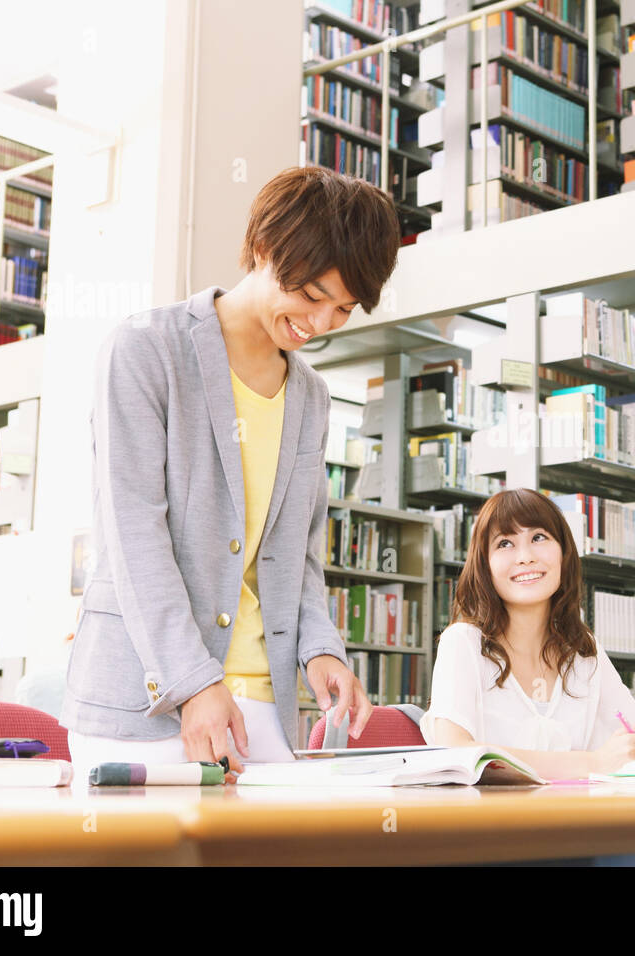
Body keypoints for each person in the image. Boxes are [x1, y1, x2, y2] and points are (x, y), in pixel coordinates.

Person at [62, 166, 398, 776]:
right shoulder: (147, 349)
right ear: (265, 249)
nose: (319, 324)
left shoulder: (311, 396)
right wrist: (193, 684)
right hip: (144, 703)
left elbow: (297, 553)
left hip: (262, 709)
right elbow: (134, 533)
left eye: (344, 308)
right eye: (312, 296)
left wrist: (322, 648)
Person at [421, 488, 635, 779]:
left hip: (578, 818)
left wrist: (634, 752)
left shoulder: (584, 651)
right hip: (488, 821)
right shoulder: (463, 642)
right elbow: (456, 753)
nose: (525, 557)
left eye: (539, 537)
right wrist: (593, 764)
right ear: (484, 566)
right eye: (505, 543)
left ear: (564, 553)